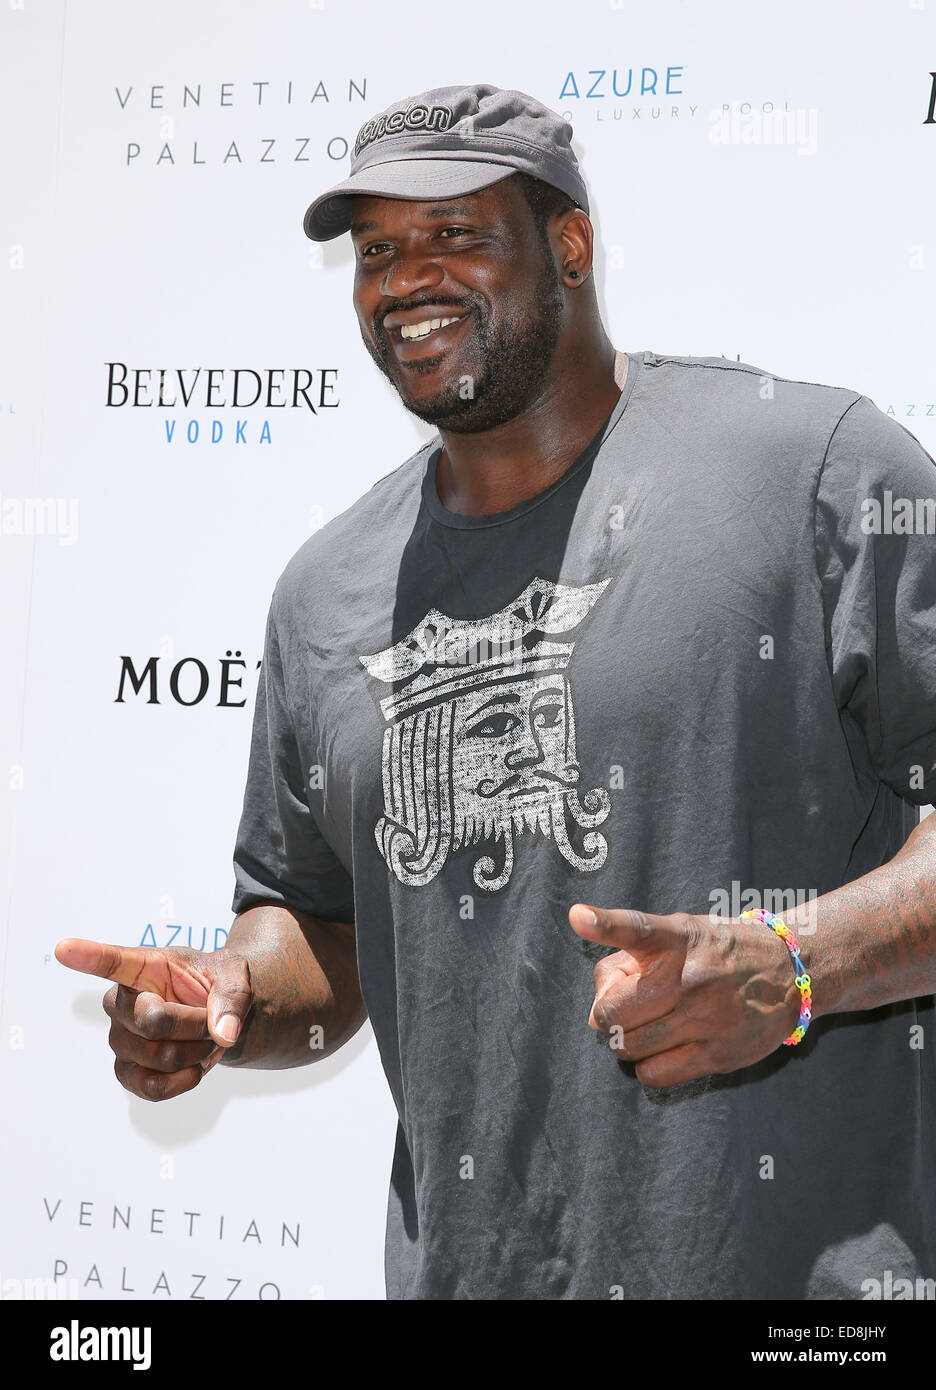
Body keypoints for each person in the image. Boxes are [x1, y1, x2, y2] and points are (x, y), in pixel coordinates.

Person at [57, 83, 936, 1301]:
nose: (407, 278)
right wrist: (238, 995)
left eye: (456, 235)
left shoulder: (815, 474)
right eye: (378, 251)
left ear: (569, 248)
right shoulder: (327, 592)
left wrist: (799, 964)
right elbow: (317, 921)